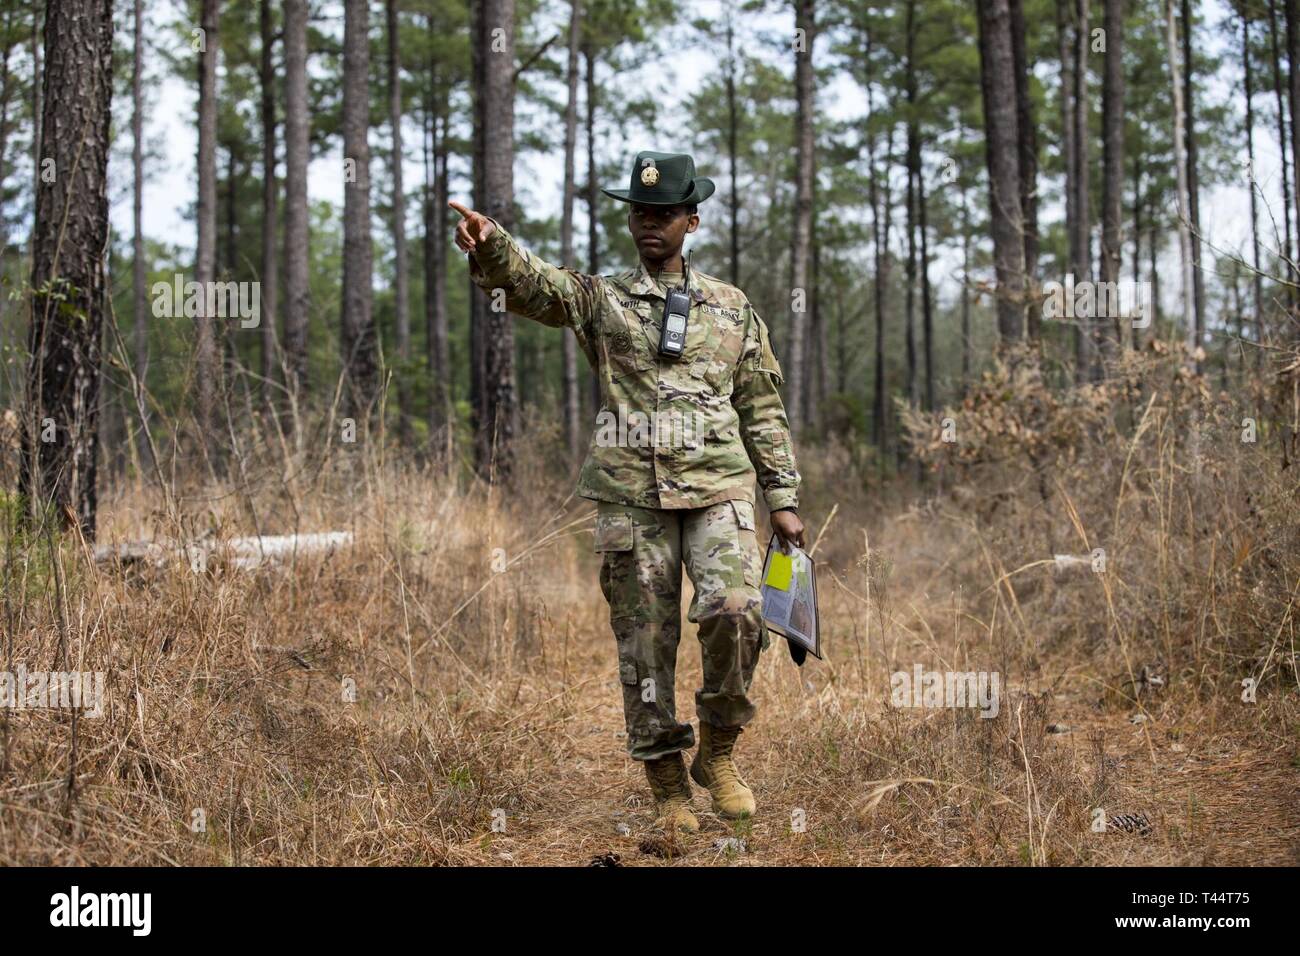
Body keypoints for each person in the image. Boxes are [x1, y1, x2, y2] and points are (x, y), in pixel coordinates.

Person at [451, 150, 803, 832]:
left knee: (736, 610)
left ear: (690, 220)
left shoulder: (731, 307)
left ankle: (720, 751)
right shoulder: (601, 296)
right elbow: (534, 287)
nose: (650, 225)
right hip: (630, 494)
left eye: (664, 214)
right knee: (643, 643)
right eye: (641, 213)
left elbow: (761, 404)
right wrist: (493, 246)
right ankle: (668, 782)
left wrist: (782, 497)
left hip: (718, 489)